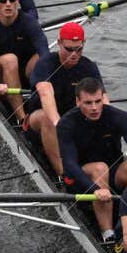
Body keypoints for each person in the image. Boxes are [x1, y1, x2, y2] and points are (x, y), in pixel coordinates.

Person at [56, 77, 127, 243]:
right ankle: (108, 234)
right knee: (100, 168)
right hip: (81, 179)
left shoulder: (119, 117)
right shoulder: (67, 123)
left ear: (103, 98)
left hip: (112, 174)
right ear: (77, 102)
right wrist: (95, 189)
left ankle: (126, 224)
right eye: (88, 103)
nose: (94, 108)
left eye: (98, 101)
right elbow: (69, 165)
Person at [24, 21, 100, 175]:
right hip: (38, 120)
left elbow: (102, 99)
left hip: (70, 120)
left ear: (84, 43)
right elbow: (46, 93)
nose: (74, 54)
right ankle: (63, 175)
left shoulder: (89, 67)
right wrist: (59, 124)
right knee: (47, 117)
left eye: (78, 49)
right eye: (69, 49)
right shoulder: (45, 63)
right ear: (59, 43)